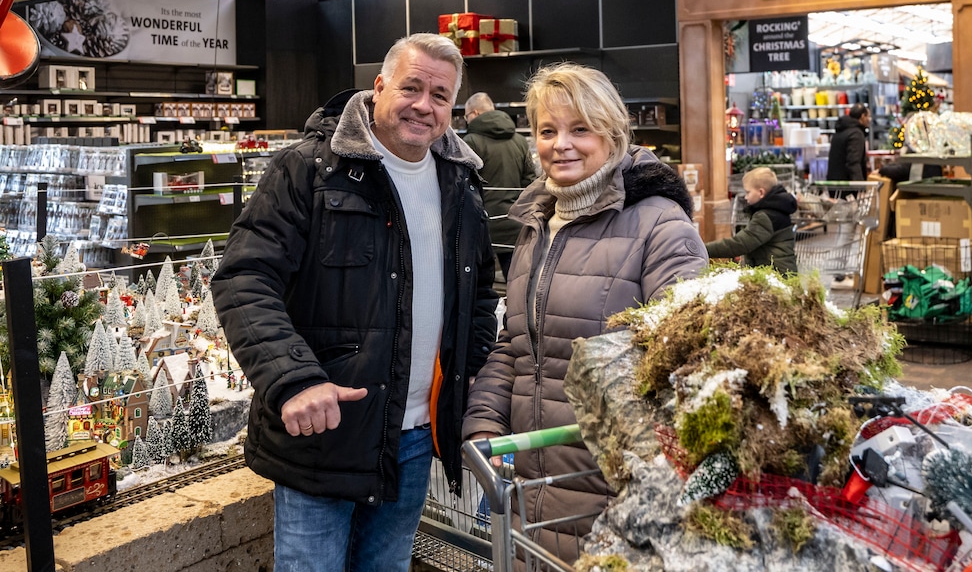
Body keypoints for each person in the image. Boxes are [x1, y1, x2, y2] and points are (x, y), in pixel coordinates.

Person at [210, 33, 499, 571]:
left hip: (414, 436)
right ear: (379, 86)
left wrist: (471, 370)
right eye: (411, 87)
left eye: (440, 96)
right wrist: (295, 379)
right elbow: (244, 278)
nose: (424, 105)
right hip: (325, 434)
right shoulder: (309, 169)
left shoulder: (460, 180)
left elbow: (479, 290)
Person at [462, 62, 707, 562]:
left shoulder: (659, 223)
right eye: (547, 131)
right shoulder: (538, 224)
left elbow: (685, 358)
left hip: (612, 486)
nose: (561, 144)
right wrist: (483, 425)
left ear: (613, 134)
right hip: (530, 485)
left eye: (580, 129)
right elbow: (518, 343)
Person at [461, 92, 537, 279]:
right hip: (514, 224)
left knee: (479, 288)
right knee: (516, 284)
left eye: (466, 116)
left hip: (482, 227)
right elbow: (530, 181)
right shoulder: (519, 141)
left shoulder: (470, 143)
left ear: (475, 113)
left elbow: (462, 187)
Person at [705, 166, 797, 273]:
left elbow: (740, 244)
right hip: (781, 272)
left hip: (776, 276)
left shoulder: (766, 216)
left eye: (748, 192)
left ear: (761, 193)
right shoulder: (776, 209)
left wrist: (703, 249)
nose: (745, 197)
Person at [827, 103, 871, 181]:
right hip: (848, 186)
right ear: (862, 116)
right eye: (868, 116)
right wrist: (860, 187)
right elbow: (853, 163)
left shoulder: (841, 130)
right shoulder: (856, 134)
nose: (869, 120)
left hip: (834, 183)